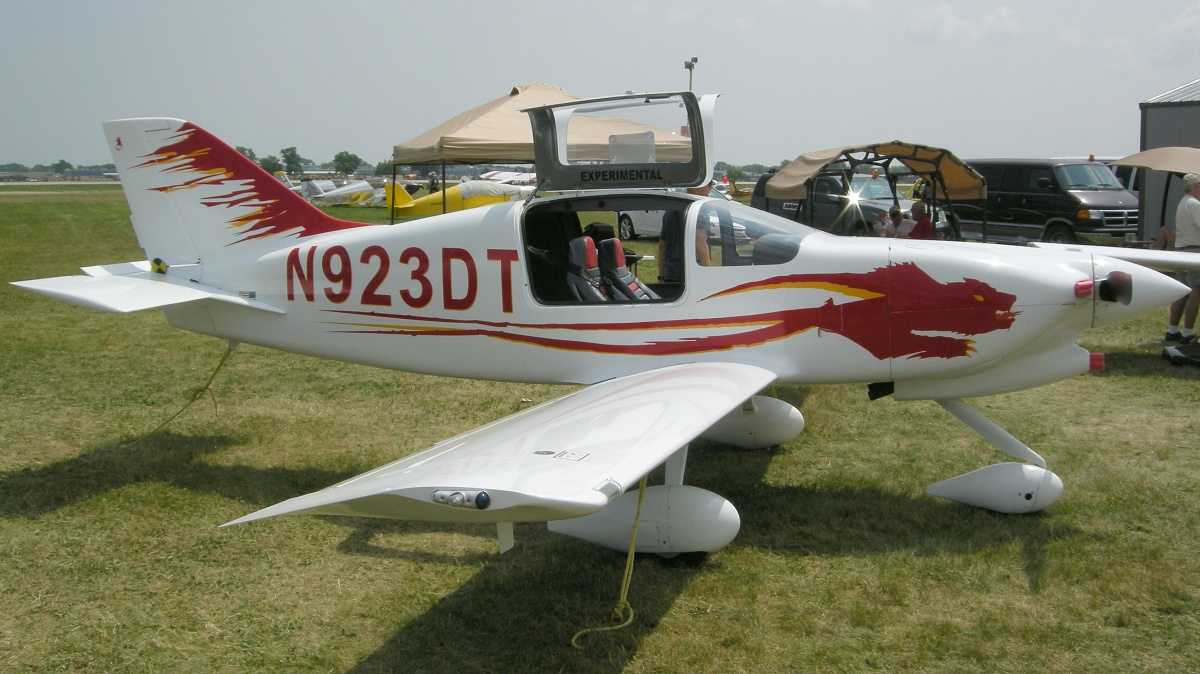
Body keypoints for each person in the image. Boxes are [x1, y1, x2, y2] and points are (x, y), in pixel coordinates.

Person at [1163, 173, 1200, 344]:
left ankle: (1172, 330)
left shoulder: (1183, 202)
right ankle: (1188, 333)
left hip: (1181, 250)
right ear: (1196, 186)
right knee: (1196, 290)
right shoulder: (1194, 204)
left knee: (1183, 291)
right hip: (1194, 251)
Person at [658, 183, 713, 283]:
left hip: (670, 275)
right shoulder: (699, 212)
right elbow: (700, 245)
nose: (712, 187)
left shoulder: (670, 211)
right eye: (710, 184)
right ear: (702, 185)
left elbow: (662, 246)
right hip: (693, 276)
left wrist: (661, 276)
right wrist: (710, 278)